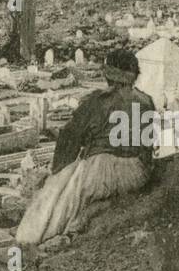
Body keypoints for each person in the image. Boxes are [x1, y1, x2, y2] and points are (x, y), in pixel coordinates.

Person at [16, 49, 155, 245]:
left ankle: (30, 240)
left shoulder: (97, 101)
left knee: (55, 200)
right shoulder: (147, 101)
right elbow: (147, 148)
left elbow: (69, 136)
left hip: (100, 171)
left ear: (108, 74)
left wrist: (58, 171)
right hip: (137, 172)